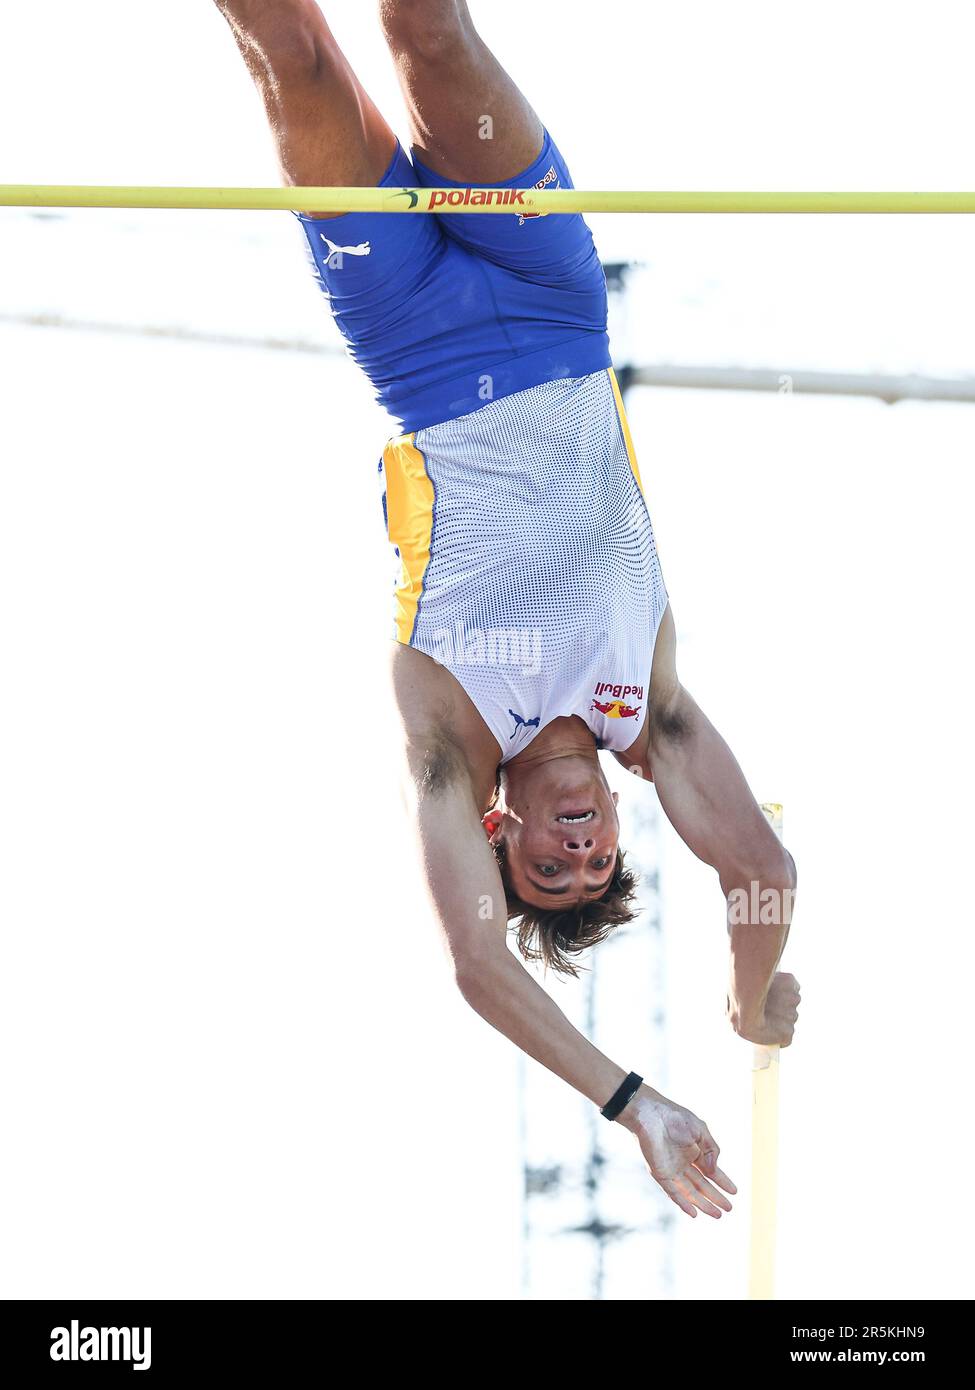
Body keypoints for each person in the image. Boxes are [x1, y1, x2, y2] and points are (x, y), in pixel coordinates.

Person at [213, 0, 800, 1220]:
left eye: (549, 867)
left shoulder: (447, 740)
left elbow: (478, 962)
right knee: (428, 32)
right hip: (547, 289)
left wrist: (634, 1103)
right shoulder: (652, 711)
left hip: (410, 333)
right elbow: (759, 864)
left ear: (499, 823)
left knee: (297, 51)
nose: (580, 849)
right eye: (599, 863)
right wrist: (750, 995)